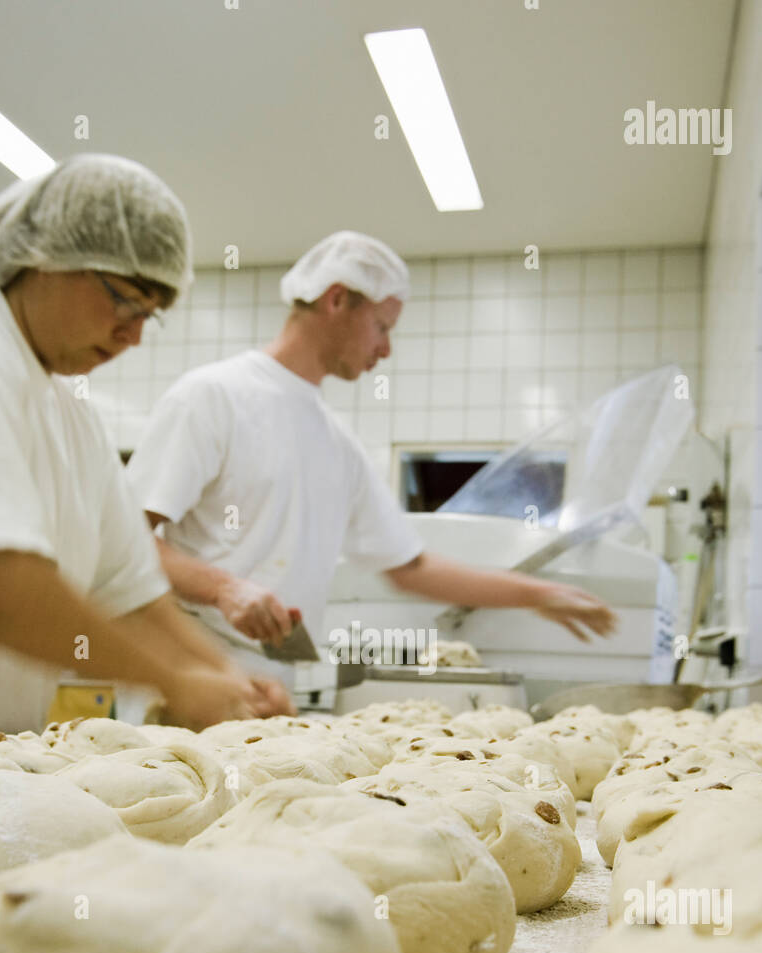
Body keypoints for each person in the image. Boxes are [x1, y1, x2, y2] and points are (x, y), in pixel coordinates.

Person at [127, 231, 616, 687]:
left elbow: (411, 568)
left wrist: (538, 594)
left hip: (272, 684)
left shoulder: (338, 444)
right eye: (381, 326)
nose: (385, 349)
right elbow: (123, 537)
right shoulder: (213, 397)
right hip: (186, 669)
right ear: (336, 298)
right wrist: (223, 589)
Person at [0, 154, 291, 737]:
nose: (134, 335)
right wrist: (173, 680)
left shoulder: (71, 410)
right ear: (45, 258)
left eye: (149, 316)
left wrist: (227, 678)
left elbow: (131, 592)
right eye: (125, 299)